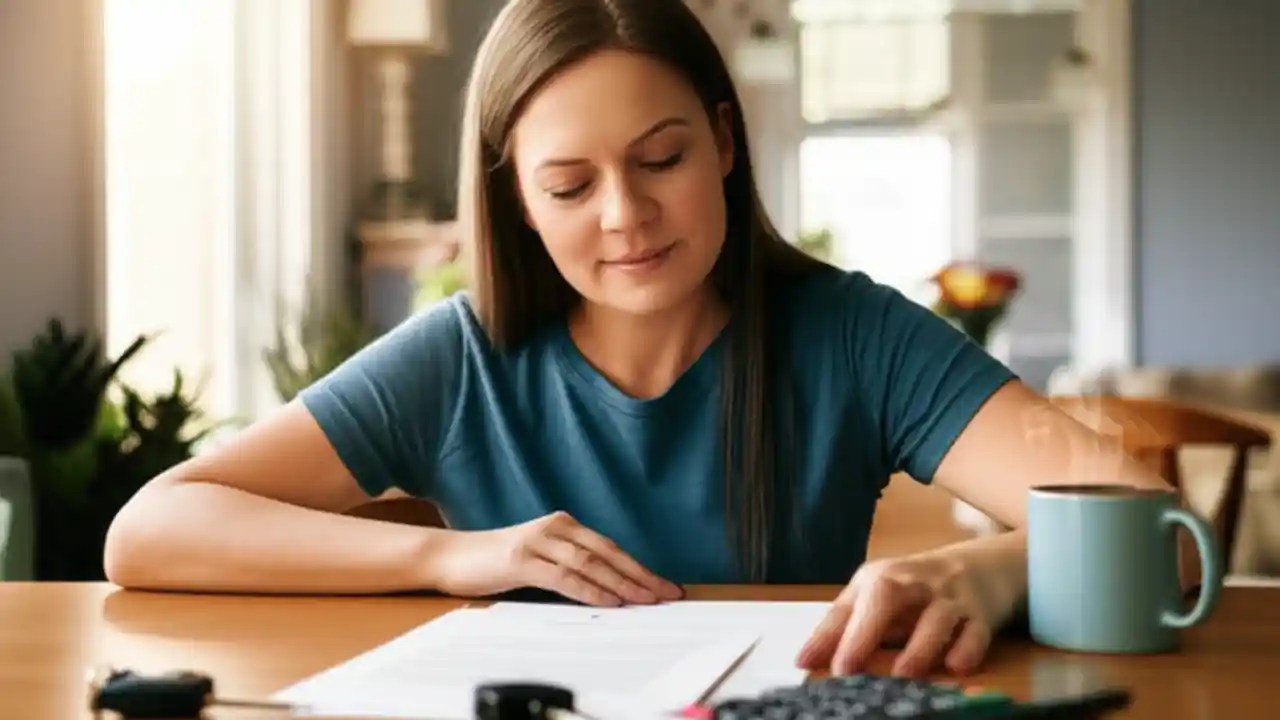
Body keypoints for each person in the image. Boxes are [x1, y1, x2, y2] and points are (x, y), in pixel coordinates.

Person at [104, 0, 1173, 680]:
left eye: (659, 160)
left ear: (720, 144)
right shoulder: (461, 355)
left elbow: (1160, 533)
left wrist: (984, 571)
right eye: (568, 185)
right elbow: (150, 530)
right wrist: (448, 557)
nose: (623, 215)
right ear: (517, 200)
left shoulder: (854, 334)